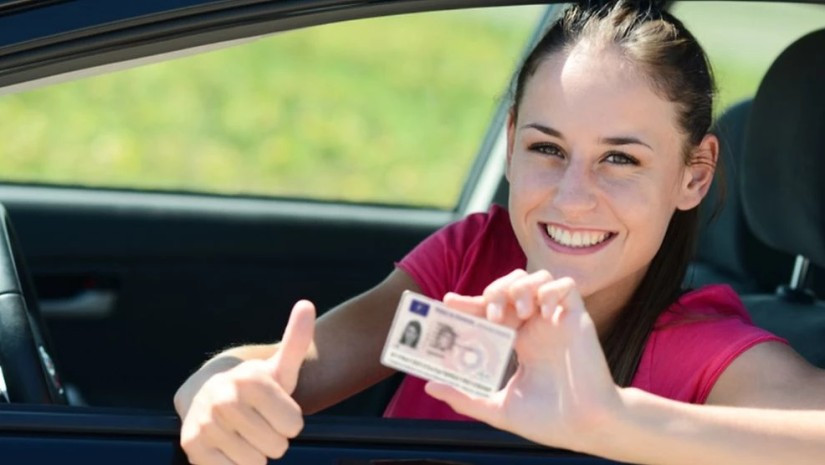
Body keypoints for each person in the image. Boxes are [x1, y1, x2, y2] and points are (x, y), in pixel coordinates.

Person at [174, 3, 825, 465]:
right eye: (547, 148)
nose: (571, 197)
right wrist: (216, 385)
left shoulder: (705, 353)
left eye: (620, 158)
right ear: (511, 144)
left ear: (694, 173)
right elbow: (299, 369)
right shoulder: (473, 266)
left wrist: (612, 418)